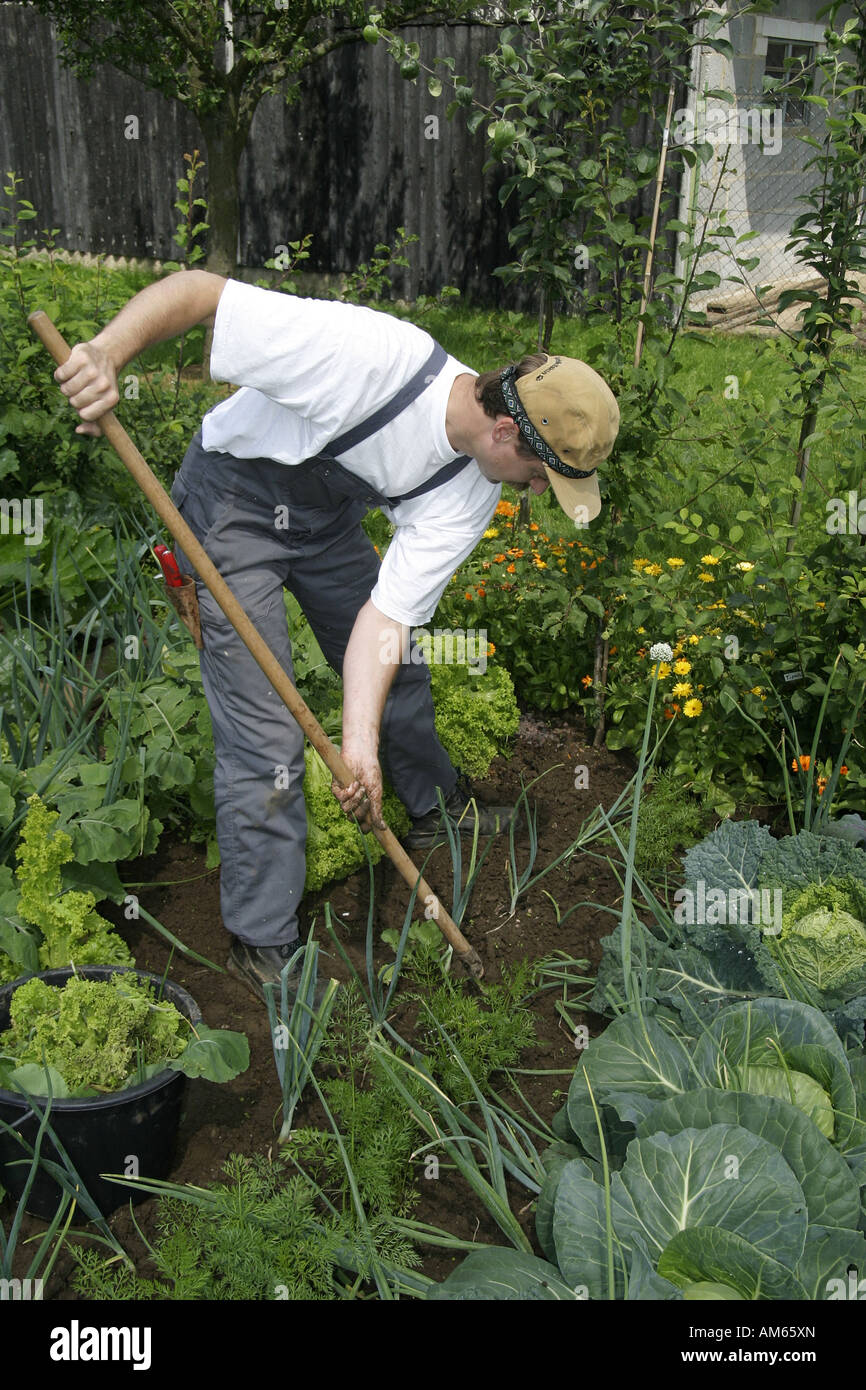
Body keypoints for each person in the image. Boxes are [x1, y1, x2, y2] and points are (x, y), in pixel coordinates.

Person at [56, 270, 620, 1000]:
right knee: (265, 736)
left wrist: (358, 749)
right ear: (506, 430)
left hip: (322, 525)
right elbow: (201, 292)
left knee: (404, 674)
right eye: (543, 476)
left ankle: (431, 811)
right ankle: (262, 940)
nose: (539, 492)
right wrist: (106, 352)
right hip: (232, 507)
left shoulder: (476, 486)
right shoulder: (366, 358)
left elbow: (384, 620)